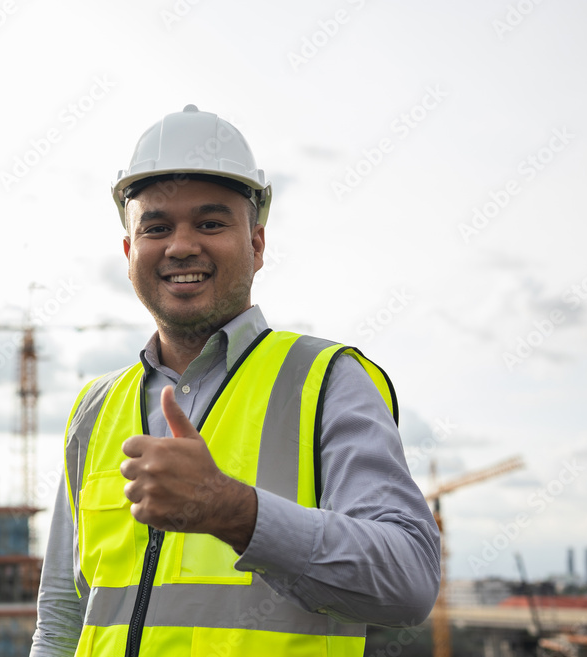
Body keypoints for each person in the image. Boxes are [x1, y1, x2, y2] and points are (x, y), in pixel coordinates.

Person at [30, 105, 440, 657]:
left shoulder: (328, 382)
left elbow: (408, 580)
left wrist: (234, 511)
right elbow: (62, 613)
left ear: (257, 245)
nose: (180, 246)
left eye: (210, 222)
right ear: (130, 253)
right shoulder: (95, 407)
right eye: (156, 227)